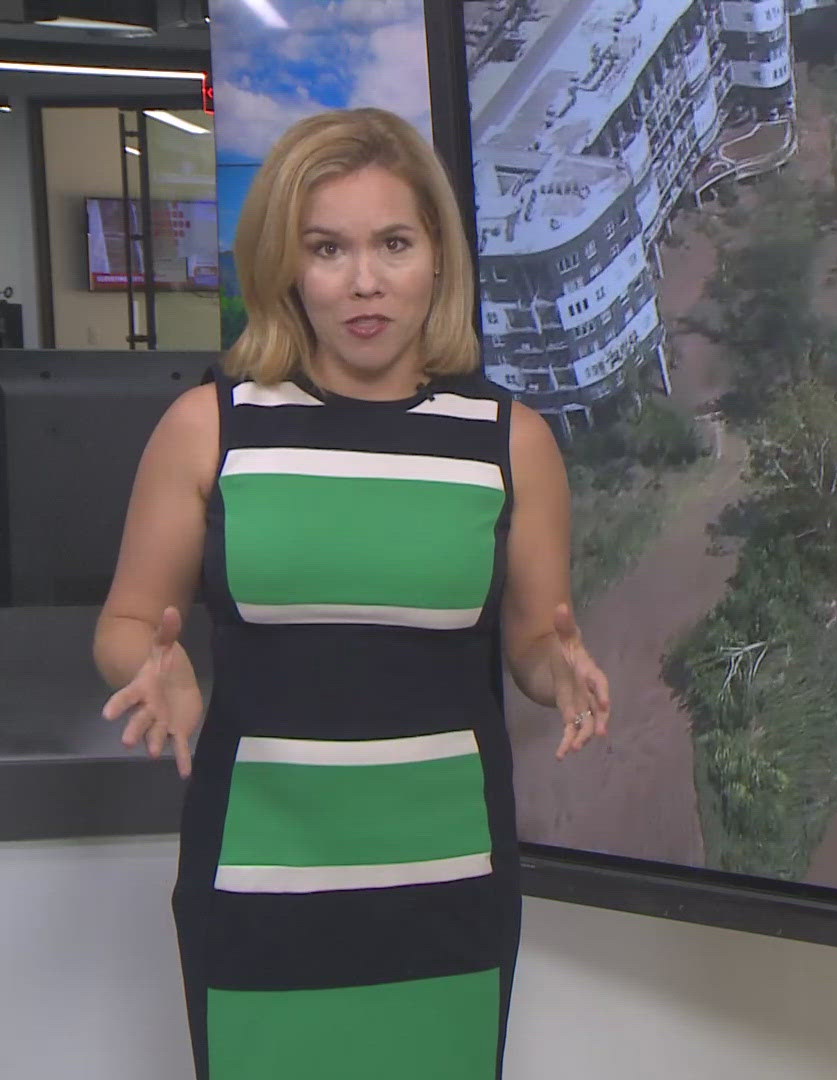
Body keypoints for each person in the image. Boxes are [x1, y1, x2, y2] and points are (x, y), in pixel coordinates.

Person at [92, 106, 611, 1079]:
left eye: (394, 244)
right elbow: (127, 624)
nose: (364, 280)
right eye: (327, 248)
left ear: (439, 261)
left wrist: (561, 670)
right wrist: (150, 669)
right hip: (257, 876)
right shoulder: (211, 429)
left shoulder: (513, 442)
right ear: (286, 265)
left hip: (447, 881)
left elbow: (535, 645)